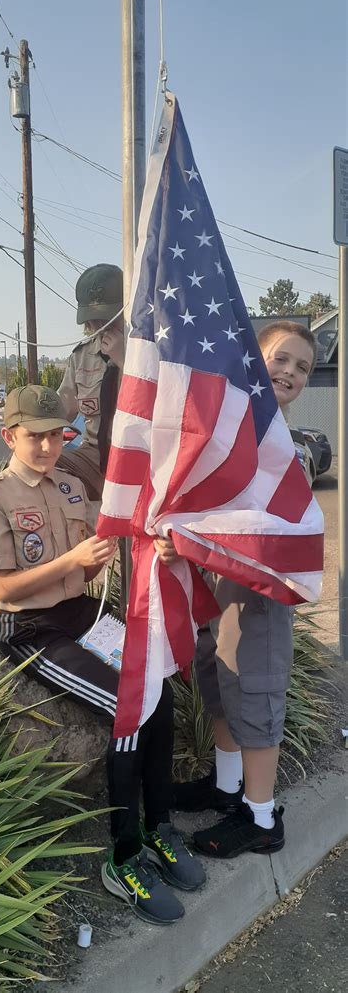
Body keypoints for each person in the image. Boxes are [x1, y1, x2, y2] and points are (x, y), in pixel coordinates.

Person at [0, 383, 206, 924]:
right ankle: (122, 859)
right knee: (129, 710)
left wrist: (94, 561)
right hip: (30, 628)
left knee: (157, 691)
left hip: (79, 614)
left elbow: (87, 567)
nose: (49, 447)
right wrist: (72, 558)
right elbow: (2, 592)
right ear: (9, 435)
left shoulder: (72, 487)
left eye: (58, 435)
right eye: (35, 437)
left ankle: (159, 826)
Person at [172, 321, 318, 858]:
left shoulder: (289, 448)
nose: (291, 372)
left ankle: (260, 818)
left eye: (302, 367)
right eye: (281, 359)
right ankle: (227, 787)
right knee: (219, 682)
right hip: (216, 581)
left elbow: (272, 528)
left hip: (259, 592)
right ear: (254, 360)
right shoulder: (227, 429)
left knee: (254, 691)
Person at [57, 263, 125, 501]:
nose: (100, 326)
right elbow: (61, 408)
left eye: (108, 318)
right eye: (93, 319)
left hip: (140, 455)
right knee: (32, 470)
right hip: (94, 456)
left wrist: (125, 360)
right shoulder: (81, 356)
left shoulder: (151, 349)